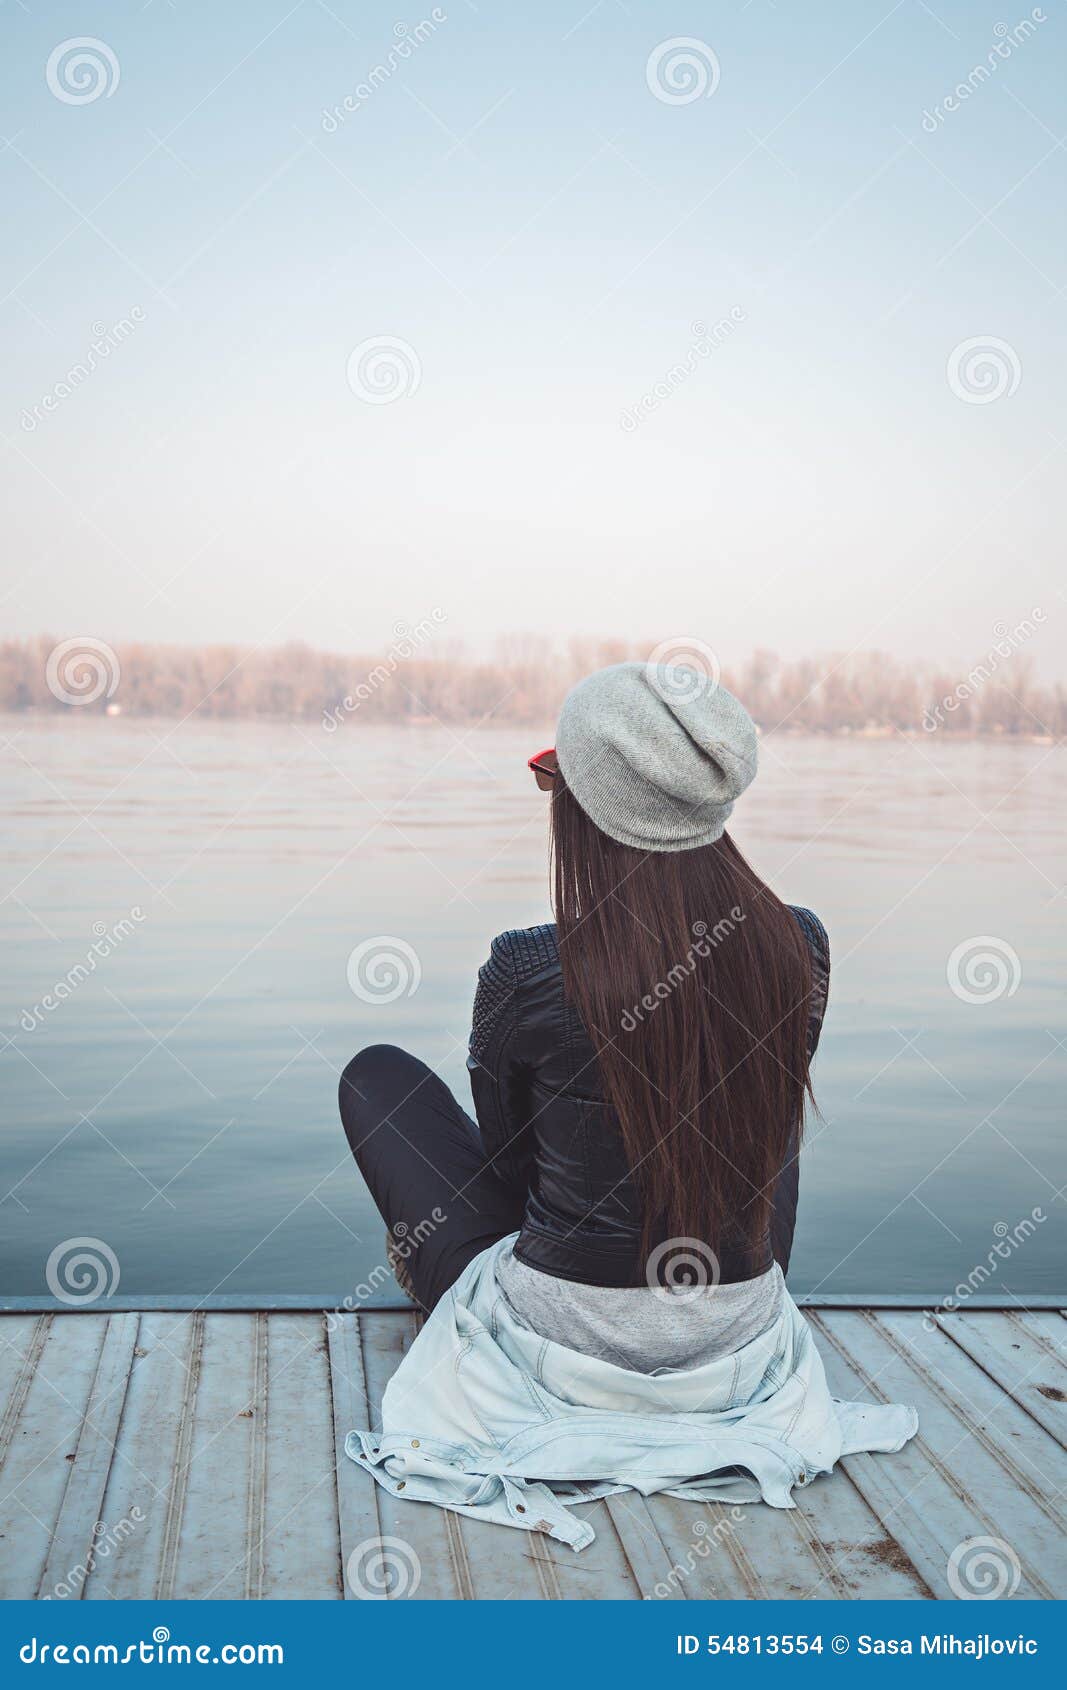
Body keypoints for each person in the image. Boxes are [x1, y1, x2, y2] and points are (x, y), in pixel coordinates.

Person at [338, 662, 916, 1549]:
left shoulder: (527, 967)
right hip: (738, 1333)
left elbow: (508, 1163)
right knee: (760, 1113)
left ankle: (498, 1318)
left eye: (552, 783)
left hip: (562, 1344)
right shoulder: (797, 946)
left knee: (377, 1077)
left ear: (588, 809)